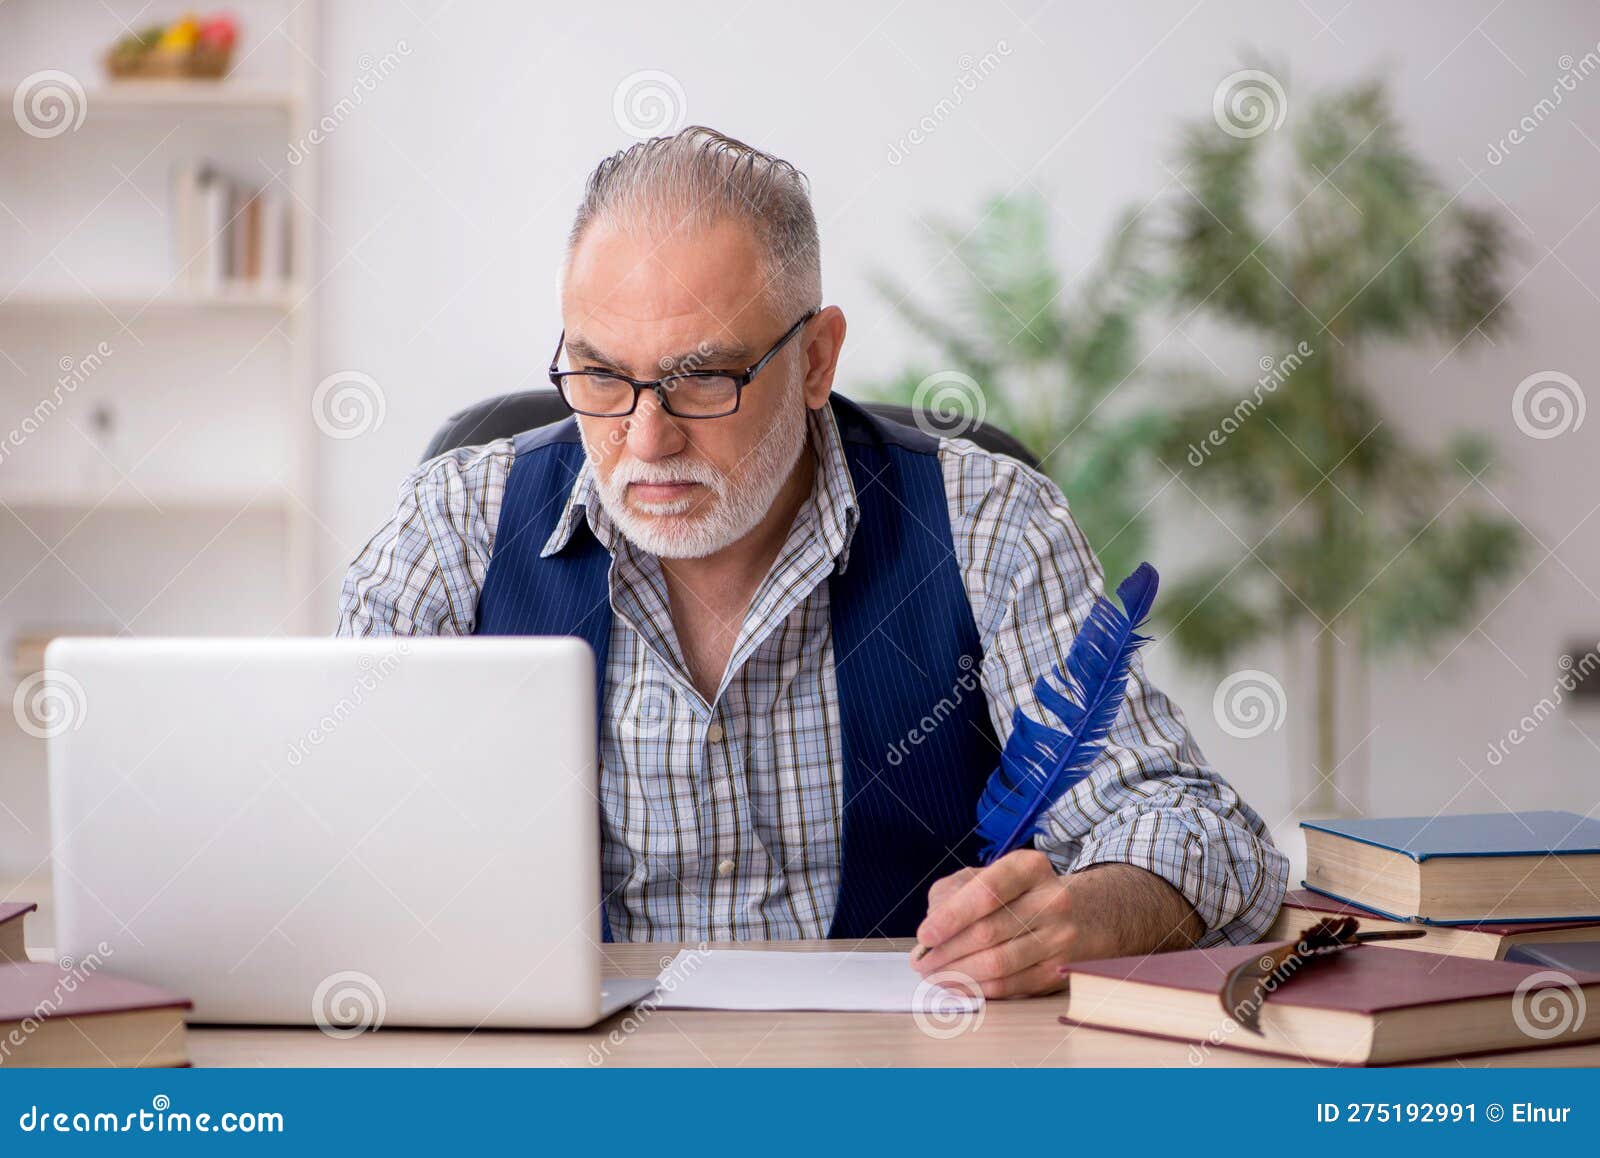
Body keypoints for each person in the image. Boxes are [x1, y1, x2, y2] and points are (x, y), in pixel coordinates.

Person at [337, 126, 1287, 997]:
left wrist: (1084, 916)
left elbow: (1200, 829)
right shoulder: (460, 521)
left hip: (902, 1079)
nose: (646, 438)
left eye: (701, 377)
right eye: (599, 376)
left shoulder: (989, 523)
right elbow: (324, 817)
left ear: (817, 360)